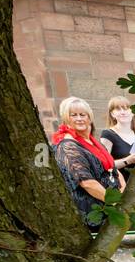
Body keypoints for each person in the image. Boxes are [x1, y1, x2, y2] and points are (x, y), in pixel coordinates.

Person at [52, 96, 124, 232]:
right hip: (94, 211)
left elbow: (112, 168)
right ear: (66, 119)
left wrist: (123, 192)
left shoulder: (94, 142)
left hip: (113, 206)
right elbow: (86, 182)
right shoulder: (68, 146)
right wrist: (114, 203)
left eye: (82, 114)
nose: (79, 119)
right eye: (73, 115)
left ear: (89, 117)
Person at [99, 96, 135, 184]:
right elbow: (103, 165)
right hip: (121, 185)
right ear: (112, 114)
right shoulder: (108, 134)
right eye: (118, 109)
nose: (123, 112)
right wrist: (127, 160)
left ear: (132, 112)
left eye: (126, 109)